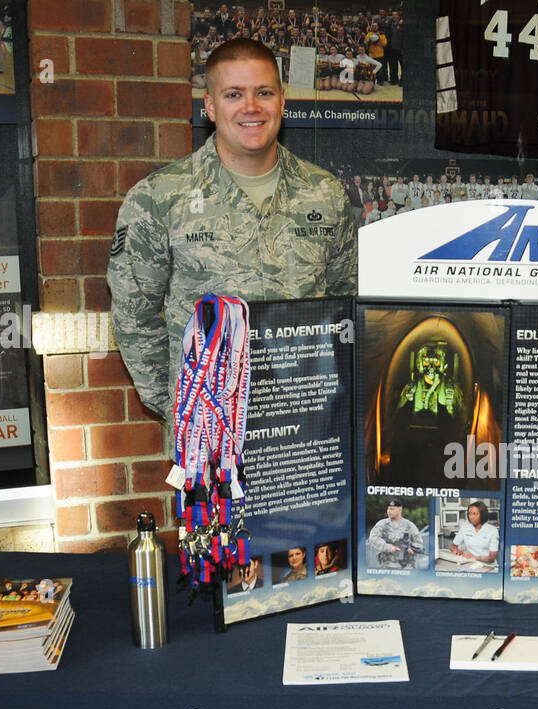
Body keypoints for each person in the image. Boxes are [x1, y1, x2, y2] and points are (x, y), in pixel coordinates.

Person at [108, 38, 357, 422]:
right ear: (209, 106)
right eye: (233, 94)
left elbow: (346, 305)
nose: (251, 107)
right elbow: (133, 314)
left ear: (283, 101)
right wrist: (181, 409)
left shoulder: (325, 195)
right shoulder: (158, 199)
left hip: (308, 429)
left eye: (264, 92)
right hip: (208, 436)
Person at [367, 498, 423, 568]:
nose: (388, 511)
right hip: (387, 566)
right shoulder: (382, 524)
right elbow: (373, 538)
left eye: (392, 509)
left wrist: (413, 548)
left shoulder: (409, 525)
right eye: (388, 509)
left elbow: (419, 542)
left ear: (400, 510)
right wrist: (388, 547)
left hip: (407, 568)